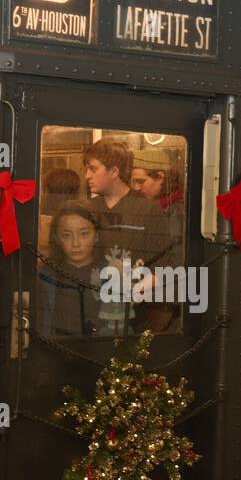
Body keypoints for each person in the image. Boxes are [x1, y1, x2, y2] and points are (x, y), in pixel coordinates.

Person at [83, 137, 179, 333]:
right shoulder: (89, 209)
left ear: (114, 171)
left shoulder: (147, 209)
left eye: (93, 169)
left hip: (139, 317)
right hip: (96, 313)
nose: (86, 176)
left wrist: (133, 290)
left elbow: (164, 267)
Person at [39, 200, 104, 337]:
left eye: (84, 234)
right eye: (66, 235)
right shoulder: (45, 275)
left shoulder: (110, 275)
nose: (76, 243)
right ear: (56, 238)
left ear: (97, 235)